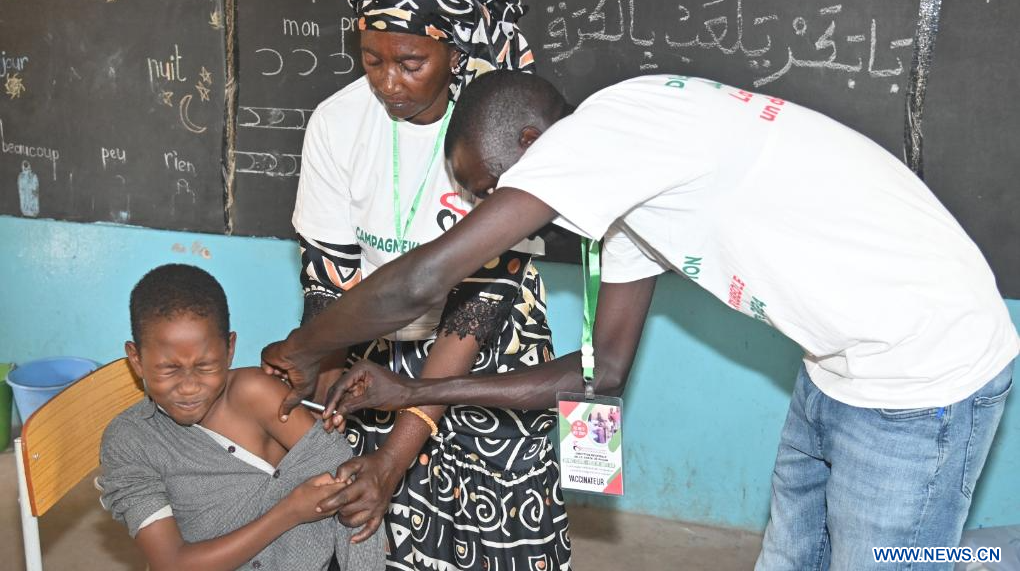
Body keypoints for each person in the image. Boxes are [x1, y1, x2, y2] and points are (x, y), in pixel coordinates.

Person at [263, 71, 1019, 571]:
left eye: (491, 188)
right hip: (841, 367)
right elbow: (600, 374)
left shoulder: (601, 138)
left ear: (531, 146)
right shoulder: (626, 185)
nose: (491, 209)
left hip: (924, 375)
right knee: (791, 558)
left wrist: (302, 350)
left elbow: (425, 278)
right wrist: (410, 396)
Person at [291, 0, 570, 569]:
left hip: (488, 351)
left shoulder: (493, 124)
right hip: (377, 339)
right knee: (380, 531)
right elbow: (328, 272)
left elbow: (479, 304)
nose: (388, 80)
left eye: (411, 62)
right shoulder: (337, 124)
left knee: (494, 529)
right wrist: (324, 383)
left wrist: (398, 449)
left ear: (453, 50)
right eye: (371, 60)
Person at [98, 264, 384, 571]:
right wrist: (289, 512)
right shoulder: (131, 441)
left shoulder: (256, 394)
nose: (189, 386)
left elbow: (352, 494)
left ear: (230, 349)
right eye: (169, 369)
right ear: (137, 360)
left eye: (205, 366)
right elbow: (172, 563)